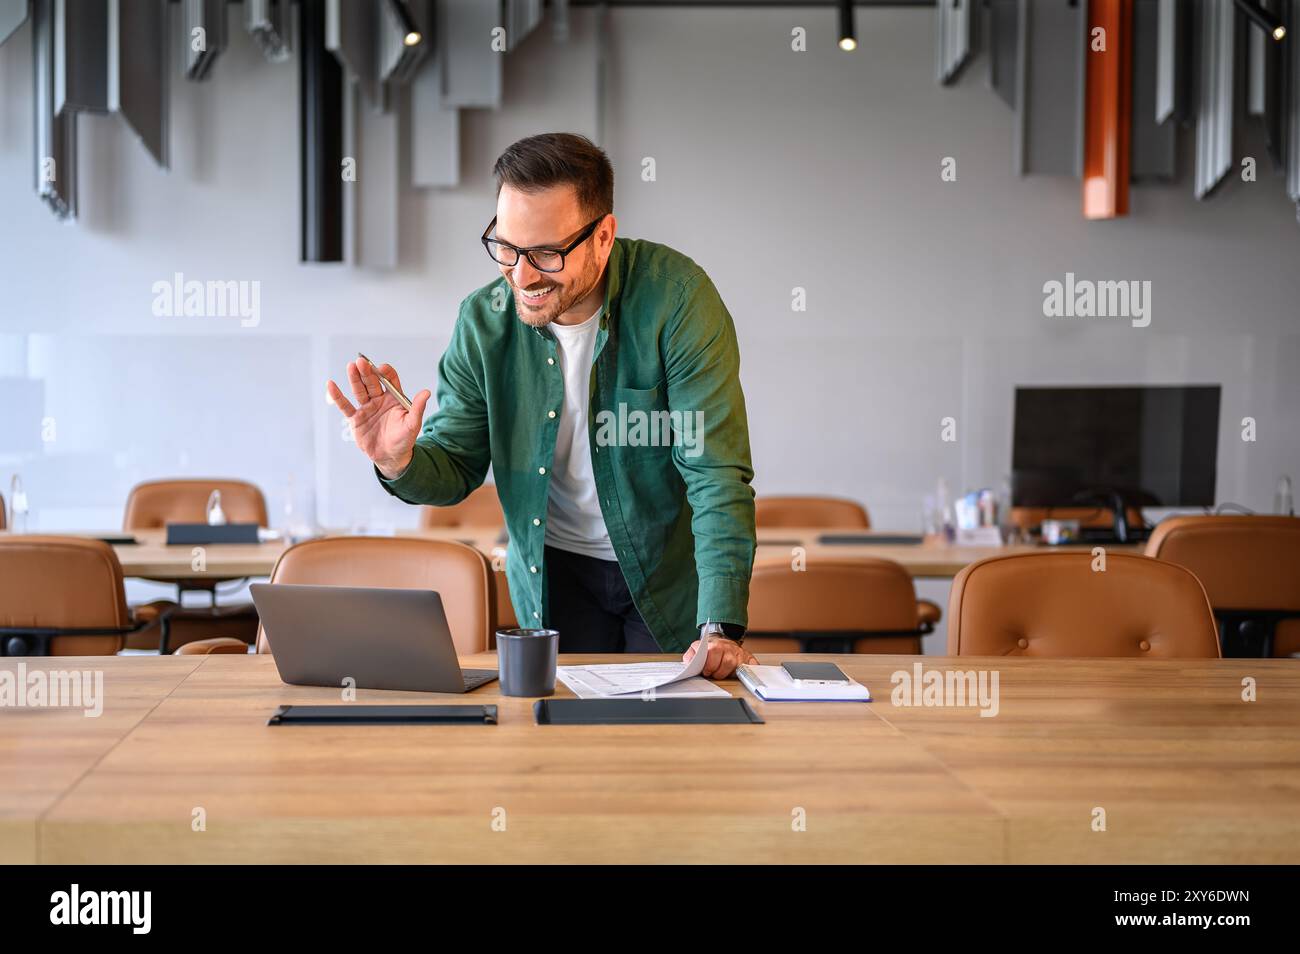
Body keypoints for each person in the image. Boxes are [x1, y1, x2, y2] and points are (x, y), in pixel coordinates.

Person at [327, 132, 756, 678]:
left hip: (665, 578)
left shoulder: (677, 300)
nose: (522, 276)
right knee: (559, 749)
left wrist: (719, 627)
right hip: (552, 577)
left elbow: (715, 471)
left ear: (603, 237)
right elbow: (456, 466)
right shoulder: (483, 322)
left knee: (663, 749)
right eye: (507, 247)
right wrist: (397, 459)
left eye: (547, 254)